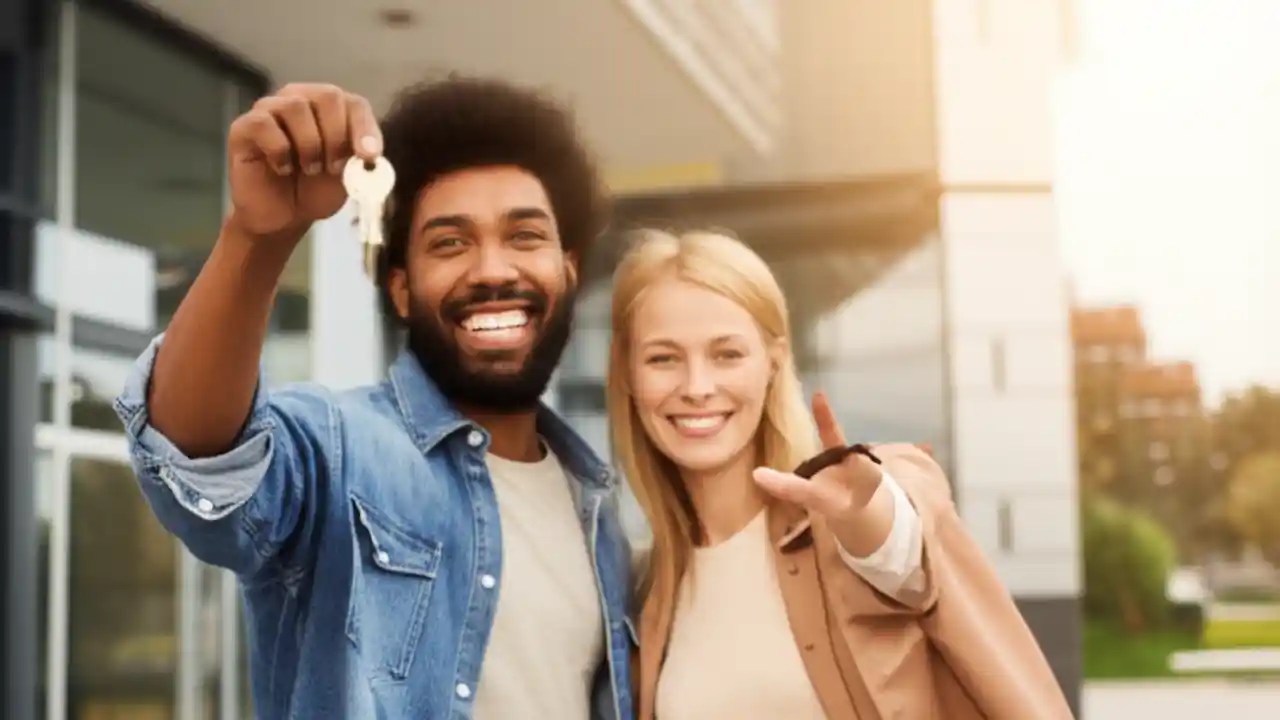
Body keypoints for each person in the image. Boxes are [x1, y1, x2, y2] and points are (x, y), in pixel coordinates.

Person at [113, 78, 635, 720]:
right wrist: (259, 236)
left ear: (570, 269)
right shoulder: (340, 447)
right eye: (450, 243)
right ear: (401, 290)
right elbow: (197, 454)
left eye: (524, 236)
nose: (494, 270)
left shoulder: (601, 512)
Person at [607, 230, 1073, 719]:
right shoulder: (647, 590)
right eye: (663, 358)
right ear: (628, 374)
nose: (697, 387)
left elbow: (901, 538)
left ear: (774, 361)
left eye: (727, 354)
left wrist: (868, 521)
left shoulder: (843, 515)